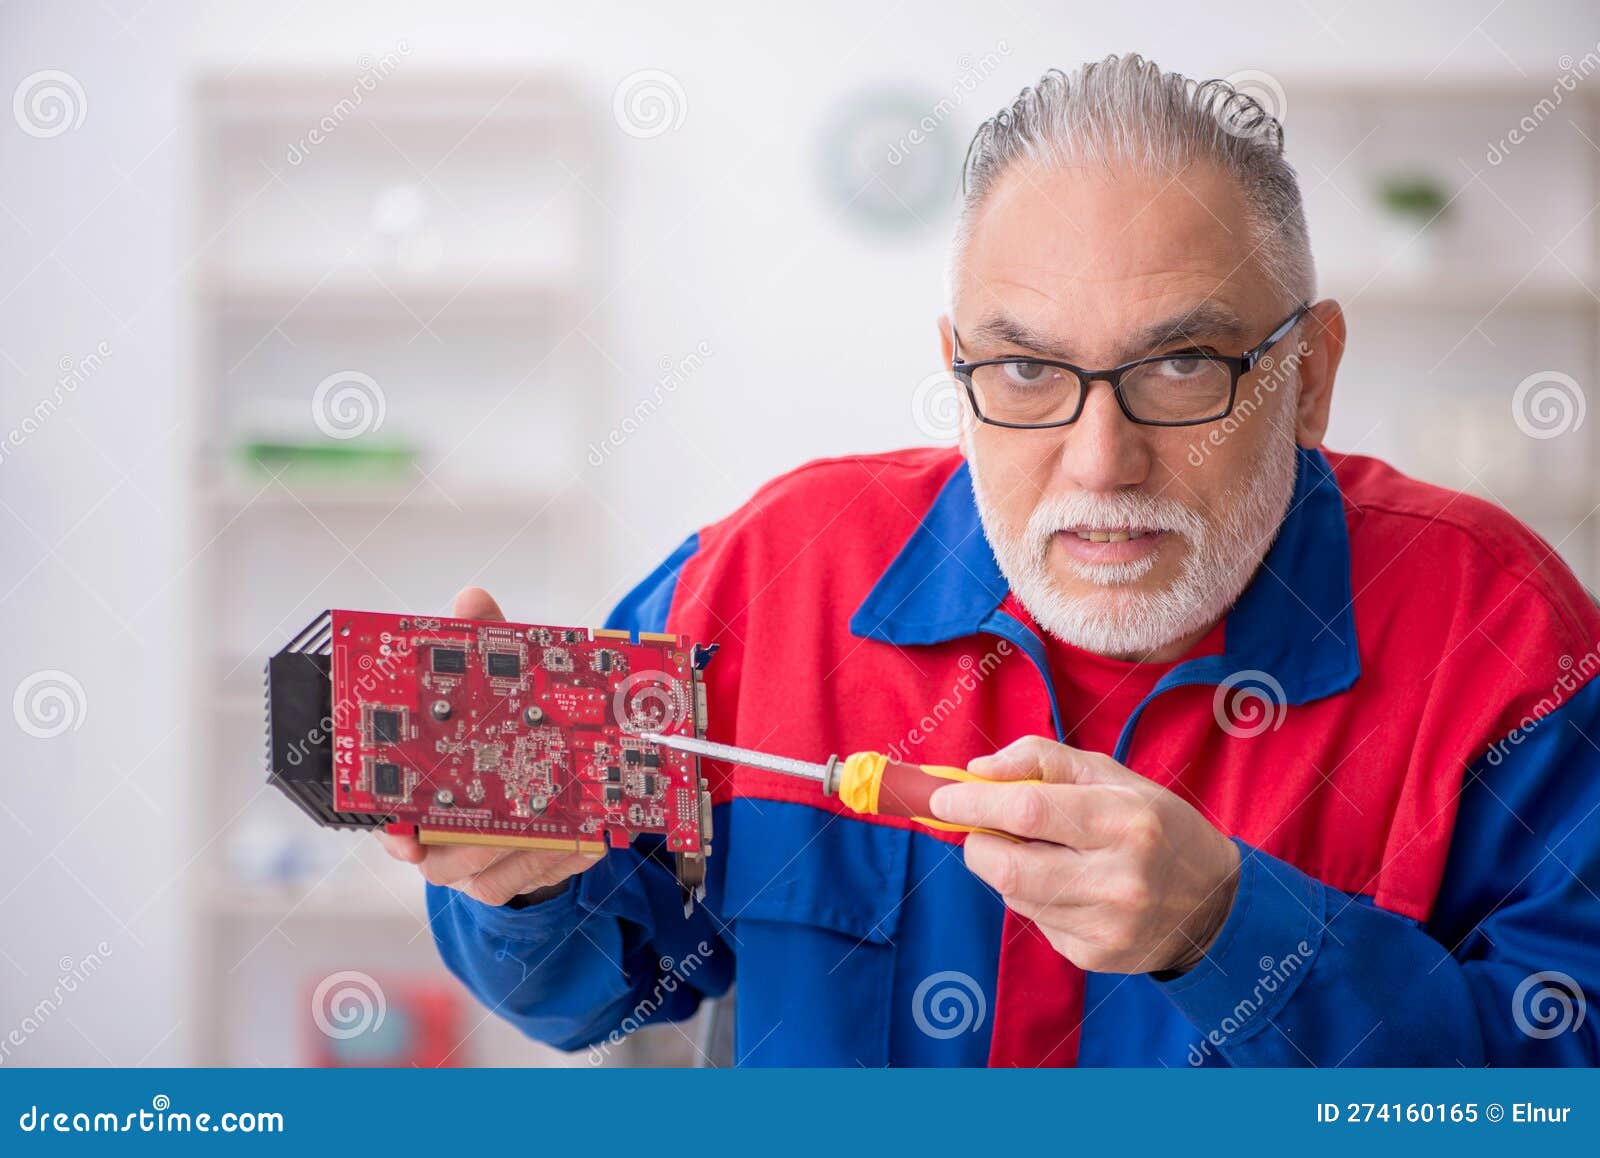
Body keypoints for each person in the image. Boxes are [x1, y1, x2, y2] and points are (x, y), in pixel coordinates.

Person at [381, 55, 1600, 1066]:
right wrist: (522, 884)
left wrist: (1228, 930)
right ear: (958, 366)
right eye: (1026, 372)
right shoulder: (771, 575)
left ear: (1309, 378)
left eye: (1181, 368)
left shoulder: (1500, 634)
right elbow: (606, 988)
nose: (1099, 461)